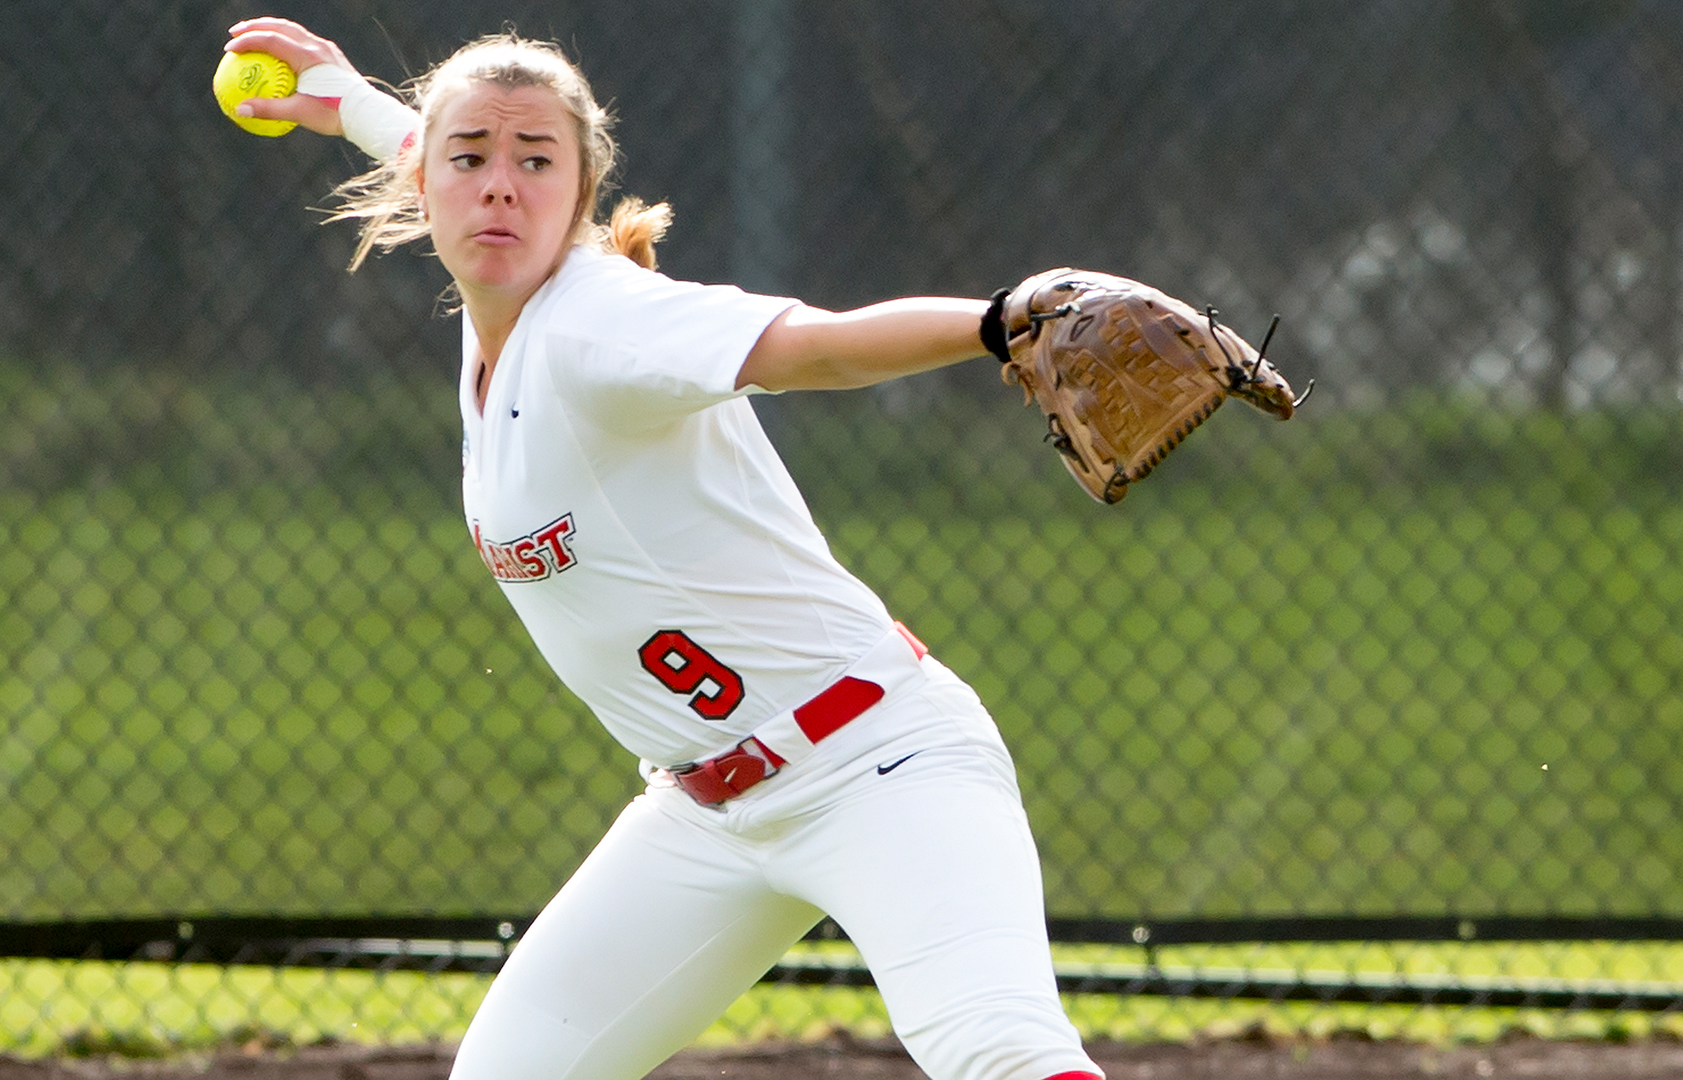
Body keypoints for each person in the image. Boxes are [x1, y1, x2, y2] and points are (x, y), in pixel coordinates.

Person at [224, 17, 1106, 1080]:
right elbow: (442, 150)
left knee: (999, 1051)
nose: (500, 186)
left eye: (537, 163)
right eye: (471, 160)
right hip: (705, 816)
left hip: (878, 765)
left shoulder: (604, 322)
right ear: (429, 182)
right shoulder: (494, 287)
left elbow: (810, 349)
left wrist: (1002, 320)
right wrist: (352, 104)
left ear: (581, 196)